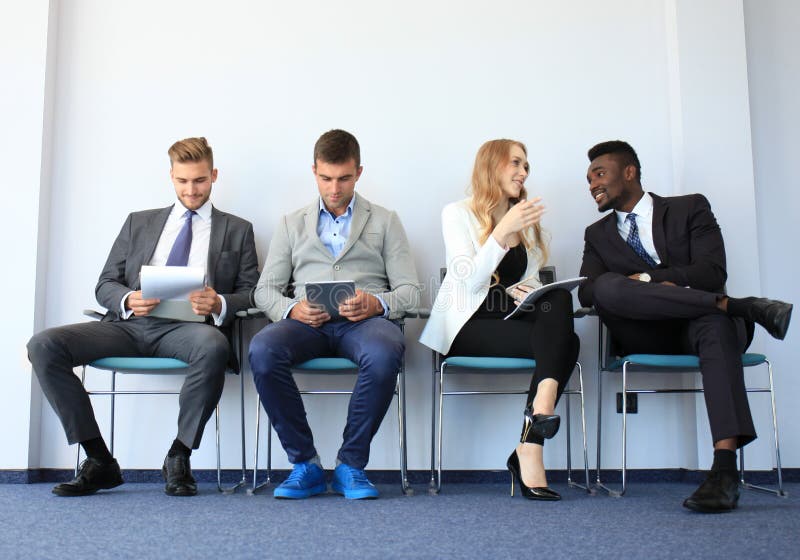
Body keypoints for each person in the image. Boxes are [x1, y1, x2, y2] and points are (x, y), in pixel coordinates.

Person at [27, 137, 260, 497]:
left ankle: (179, 455)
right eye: (182, 181)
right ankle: (99, 459)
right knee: (44, 345)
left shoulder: (238, 229)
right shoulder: (139, 223)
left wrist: (218, 303)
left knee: (214, 346)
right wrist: (128, 299)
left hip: (190, 330)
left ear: (213, 175)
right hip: (130, 326)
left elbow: (250, 291)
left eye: (199, 180)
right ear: (171, 177)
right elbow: (105, 283)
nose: (191, 189)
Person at [579, 140, 792, 513]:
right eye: (589, 178)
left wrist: (646, 279)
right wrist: (651, 285)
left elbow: (711, 272)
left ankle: (724, 472)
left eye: (600, 173)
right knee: (607, 286)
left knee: (715, 326)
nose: (592, 183)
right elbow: (587, 292)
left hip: (702, 327)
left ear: (629, 172)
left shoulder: (689, 208)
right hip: (647, 333)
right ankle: (742, 306)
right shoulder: (597, 234)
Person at [249, 129, 420, 500]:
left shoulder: (386, 221)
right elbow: (264, 290)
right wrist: (292, 308)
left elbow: (410, 289)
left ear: (359, 172)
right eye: (326, 178)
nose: (334, 187)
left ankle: (351, 465)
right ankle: (305, 464)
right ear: (314, 172)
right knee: (262, 350)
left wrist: (376, 304)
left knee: (384, 351)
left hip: (365, 324)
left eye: (343, 178)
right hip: (305, 325)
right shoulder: (291, 223)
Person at [420, 139, 580, 501]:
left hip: (510, 317)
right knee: (568, 344)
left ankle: (537, 420)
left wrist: (529, 291)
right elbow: (469, 281)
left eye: (527, 166)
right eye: (516, 163)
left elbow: (528, 279)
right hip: (466, 327)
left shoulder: (528, 223)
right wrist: (501, 232)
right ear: (492, 166)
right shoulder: (457, 214)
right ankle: (533, 440)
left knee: (556, 298)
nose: (524, 173)